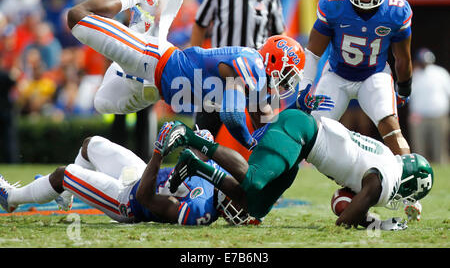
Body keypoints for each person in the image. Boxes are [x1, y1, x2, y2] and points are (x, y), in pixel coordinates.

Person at [66, 0, 331, 150]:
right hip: (156, 60)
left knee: (103, 102)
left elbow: (270, 124)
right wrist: (251, 143)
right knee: (77, 16)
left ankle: (140, 26)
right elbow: (231, 113)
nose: (286, 83)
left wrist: (300, 113)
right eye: (287, 75)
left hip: (156, 87)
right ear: (273, 61)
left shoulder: (259, 85)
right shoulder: (253, 65)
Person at [161, 108, 434, 230]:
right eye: (410, 193)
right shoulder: (383, 181)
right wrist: (379, 225)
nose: (404, 198)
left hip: (303, 143)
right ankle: (188, 136)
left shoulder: (387, 160)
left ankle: (196, 165)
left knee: (253, 206)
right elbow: (345, 218)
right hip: (300, 131)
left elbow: (341, 201)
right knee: (254, 180)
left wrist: (373, 219)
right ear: (408, 183)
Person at [0, 126, 255, 226]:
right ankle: (65, 196)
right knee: (91, 144)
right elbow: (212, 156)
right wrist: (200, 143)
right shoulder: (220, 178)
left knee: (63, 174)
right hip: (145, 176)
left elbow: (145, 198)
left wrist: (158, 151)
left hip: (128, 203)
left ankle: (11, 198)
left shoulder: (200, 210)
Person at [304, 0, 413, 156]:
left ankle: (409, 176)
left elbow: (403, 58)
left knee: (389, 123)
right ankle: (347, 179)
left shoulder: (395, 11)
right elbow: (312, 52)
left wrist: (404, 88)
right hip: (337, 75)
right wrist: (305, 88)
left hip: (375, 75)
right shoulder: (334, 4)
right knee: (310, 132)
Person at [190, 0, 286, 138]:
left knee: (266, 126)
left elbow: (279, 36)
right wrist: (195, 61)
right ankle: (195, 162)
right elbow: (200, 25)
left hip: (257, 72)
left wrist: (276, 75)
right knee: (206, 126)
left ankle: (271, 164)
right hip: (220, 70)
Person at [409, 48, 450, 164]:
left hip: (439, 116)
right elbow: (403, 93)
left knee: (440, 149)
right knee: (419, 150)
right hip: (419, 117)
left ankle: (442, 169)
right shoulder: (414, 74)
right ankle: (421, 170)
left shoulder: (440, 73)